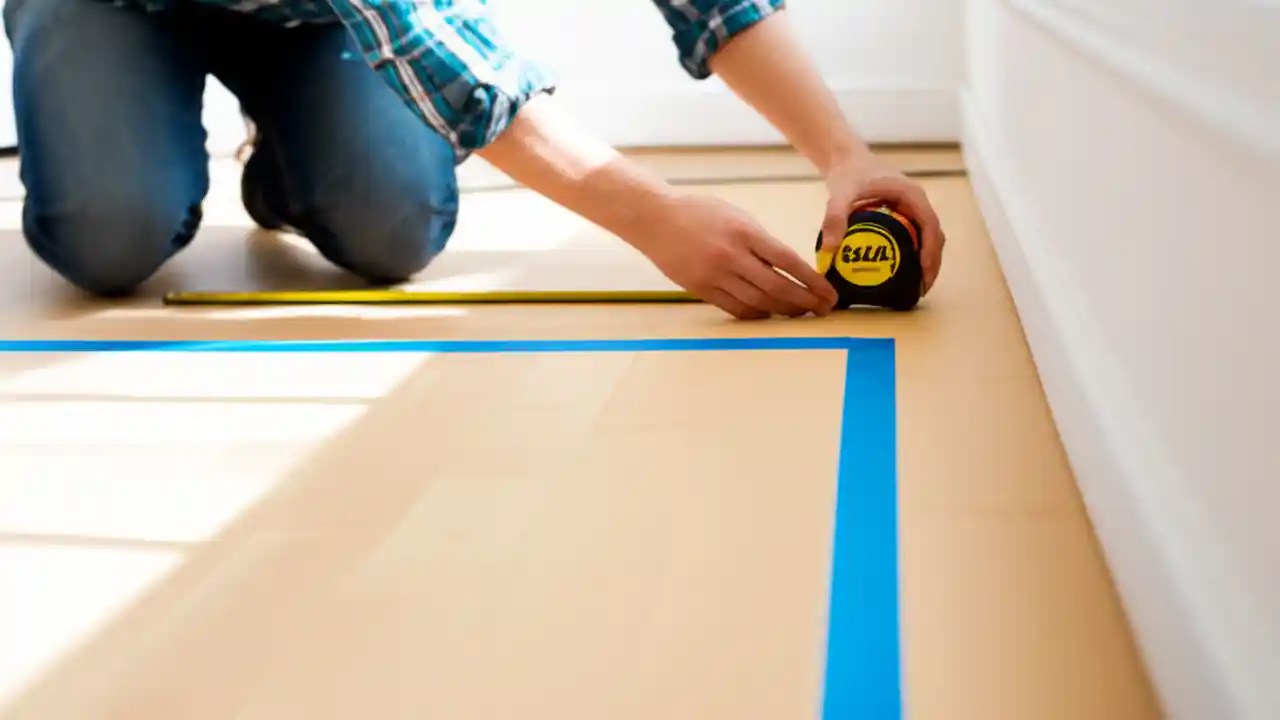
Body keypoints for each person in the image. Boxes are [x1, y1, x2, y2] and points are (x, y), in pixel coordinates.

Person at [3, 0, 944, 319]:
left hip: (318, 21)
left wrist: (843, 155)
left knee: (391, 228)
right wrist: (653, 214)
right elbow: (429, 50)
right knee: (107, 237)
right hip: (115, 7)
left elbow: (712, 2)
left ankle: (283, 158)